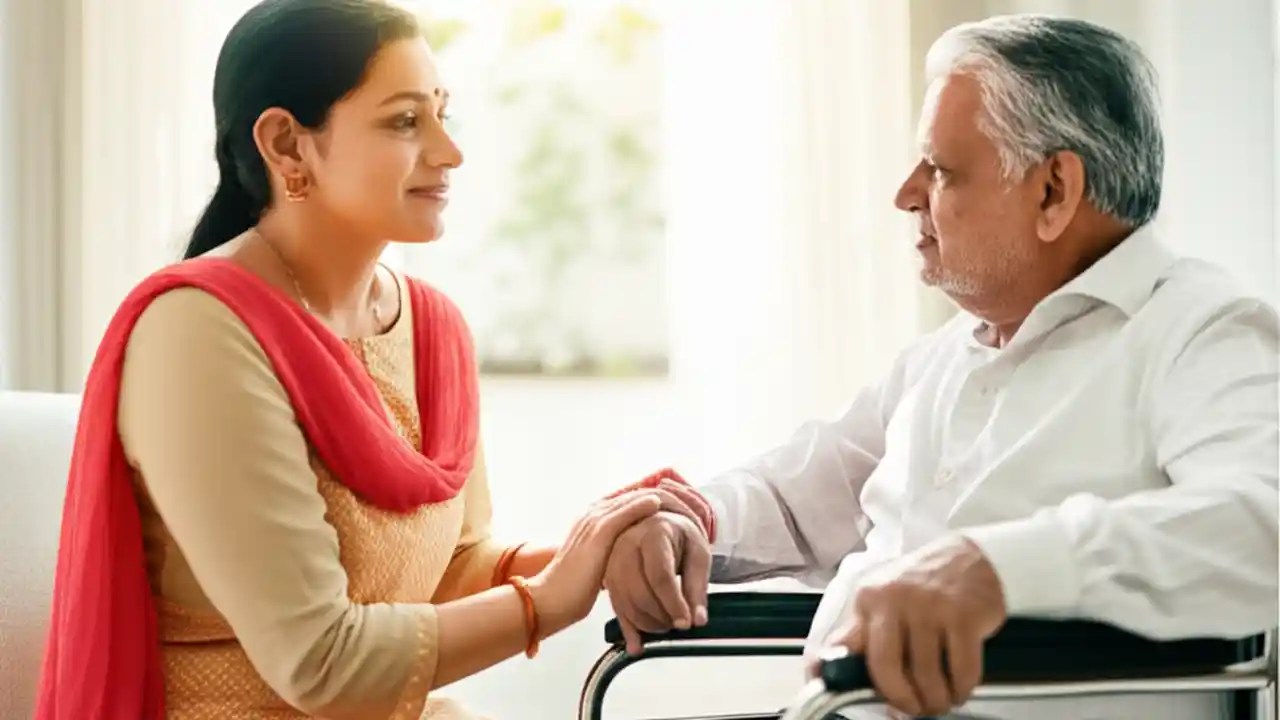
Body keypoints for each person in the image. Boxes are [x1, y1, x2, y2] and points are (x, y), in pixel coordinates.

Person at [34, 1, 715, 719]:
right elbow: (320, 662)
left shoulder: (432, 328)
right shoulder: (197, 334)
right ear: (287, 145)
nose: (450, 153)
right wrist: (546, 603)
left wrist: (601, 548)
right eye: (404, 121)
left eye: (443, 114)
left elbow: (450, 570)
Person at [603, 14, 1279, 720]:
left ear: (1053, 191)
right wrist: (691, 524)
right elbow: (796, 497)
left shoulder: (1200, 330)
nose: (905, 194)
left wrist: (993, 569)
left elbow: (1263, 521)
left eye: (942, 171)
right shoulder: (943, 358)